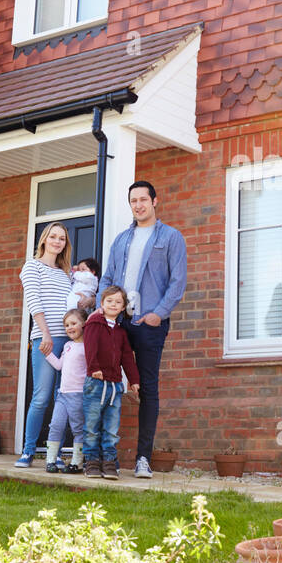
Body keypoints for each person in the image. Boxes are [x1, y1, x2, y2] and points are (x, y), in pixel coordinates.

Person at [98, 180, 187, 479]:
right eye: (133, 200)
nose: (138, 205)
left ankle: (143, 459)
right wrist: (103, 306)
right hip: (119, 323)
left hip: (149, 324)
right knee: (107, 383)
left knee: (147, 388)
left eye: (143, 200)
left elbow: (178, 283)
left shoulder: (172, 237)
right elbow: (108, 276)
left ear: (155, 201)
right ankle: (102, 456)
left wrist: (158, 315)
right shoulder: (121, 240)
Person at [16, 222, 75, 468]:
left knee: (62, 399)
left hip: (69, 341)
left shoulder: (66, 274)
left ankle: (55, 454)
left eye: (62, 238)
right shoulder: (32, 267)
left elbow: (73, 307)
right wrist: (46, 334)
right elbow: (34, 302)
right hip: (45, 339)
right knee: (41, 397)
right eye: (53, 237)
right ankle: (28, 451)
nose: (57, 241)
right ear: (44, 239)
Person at [81, 287, 140, 480]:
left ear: (123, 307)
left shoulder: (121, 331)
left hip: (115, 385)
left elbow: (127, 357)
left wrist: (134, 380)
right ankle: (91, 462)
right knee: (92, 425)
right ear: (102, 303)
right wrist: (94, 368)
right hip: (96, 382)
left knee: (111, 428)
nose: (113, 305)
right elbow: (90, 347)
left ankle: (109, 462)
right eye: (109, 301)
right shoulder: (94, 324)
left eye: (118, 302)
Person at [44, 308, 87, 474]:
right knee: (56, 425)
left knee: (78, 429)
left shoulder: (87, 347)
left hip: (78, 394)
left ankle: (77, 462)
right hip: (62, 394)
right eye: (66, 325)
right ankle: (50, 461)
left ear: (83, 324)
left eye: (73, 323)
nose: (69, 327)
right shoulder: (67, 345)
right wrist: (47, 354)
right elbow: (60, 366)